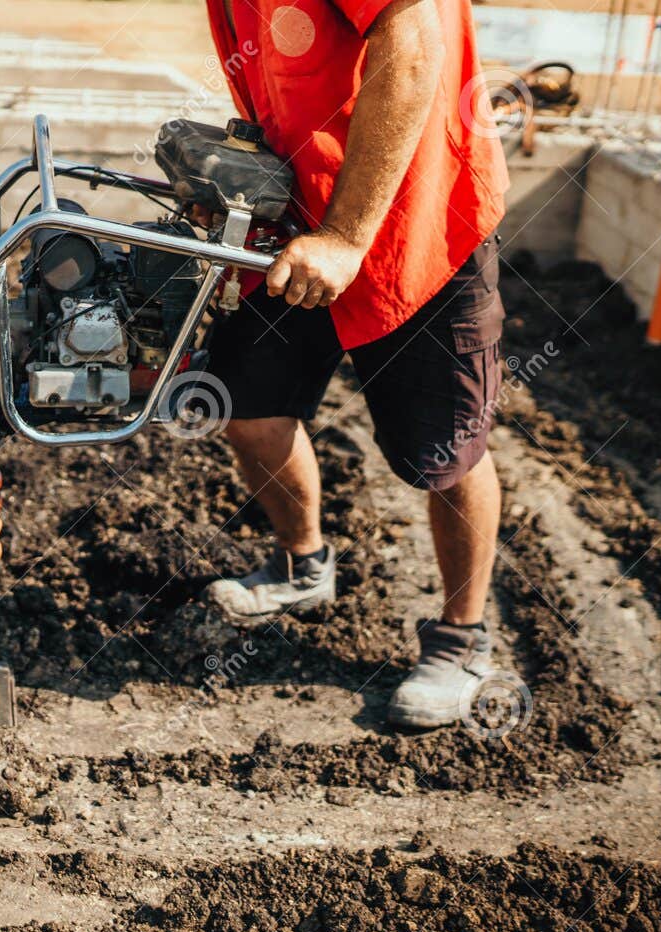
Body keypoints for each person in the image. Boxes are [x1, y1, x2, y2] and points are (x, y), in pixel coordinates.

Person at [199, 0, 510, 728]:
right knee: (249, 407)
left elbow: (412, 42)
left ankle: (462, 637)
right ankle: (302, 566)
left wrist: (346, 234)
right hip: (298, 206)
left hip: (417, 212)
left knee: (444, 451)